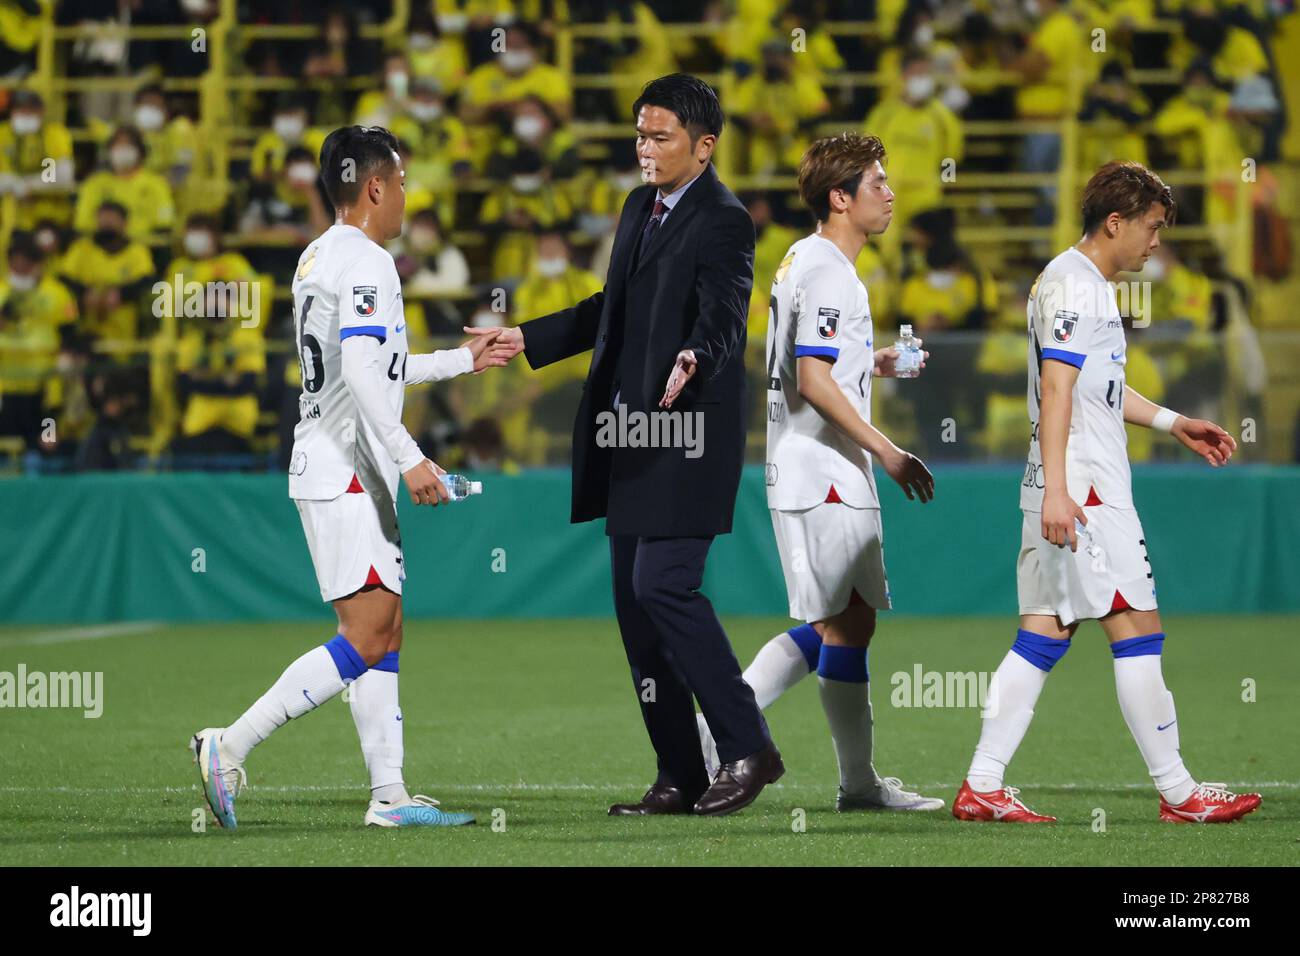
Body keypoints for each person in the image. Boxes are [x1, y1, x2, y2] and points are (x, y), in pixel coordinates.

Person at [470, 74, 782, 817]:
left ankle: (749, 747)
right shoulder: (639, 206)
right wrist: (531, 336)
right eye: (640, 135)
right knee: (635, 611)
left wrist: (695, 356)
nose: (644, 149)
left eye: (660, 136)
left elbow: (726, 314)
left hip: (690, 431)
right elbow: (613, 307)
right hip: (631, 435)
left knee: (663, 585)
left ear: (704, 147)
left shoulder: (725, 220)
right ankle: (679, 773)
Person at [190, 126, 513, 830]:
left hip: (341, 461)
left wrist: (464, 361)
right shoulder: (367, 262)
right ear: (375, 186)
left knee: (386, 631)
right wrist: (411, 459)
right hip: (347, 469)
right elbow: (367, 381)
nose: (405, 194)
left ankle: (389, 796)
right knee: (366, 634)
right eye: (401, 181)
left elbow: (375, 368)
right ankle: (228, 745)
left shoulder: (318, 256)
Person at [952, 161, 1261, 825]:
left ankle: (982, 784)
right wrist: (1065, 492)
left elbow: (1097, 390)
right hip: (1085, 491)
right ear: (1115, 222)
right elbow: (1059, 391)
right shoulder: (1077, 287)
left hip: (1060, 483)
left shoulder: (1071, 280)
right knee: (1137, 630)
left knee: (1045, 630)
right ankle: (1181, 795)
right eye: (1151, 227)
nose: (1157, 242)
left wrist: (1175, 422)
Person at [697, 132, 942, 812]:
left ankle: (738, 735)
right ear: (841, 197)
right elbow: (811, 379)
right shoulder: (832, 269)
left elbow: (811, 360)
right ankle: (741, 741)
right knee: (845, 621)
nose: (890, 193)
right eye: (877, 183)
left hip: (804, 462)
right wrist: (887, 450)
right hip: (826, 467)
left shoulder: (802, 259)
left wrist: (875, 361)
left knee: (846, 621)